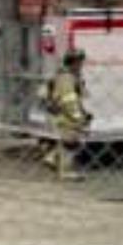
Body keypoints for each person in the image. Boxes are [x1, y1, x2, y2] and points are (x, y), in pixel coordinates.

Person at [42, 49, 92, 181]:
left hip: (64, 113)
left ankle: (52, 158)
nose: (82, 65)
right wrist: (77, 116)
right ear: (74, 62)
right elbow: (69, 99)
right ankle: (65, 171)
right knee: (71, 142)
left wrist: (84, 112)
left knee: (69, 141)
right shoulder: (67, 78)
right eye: (80, 62)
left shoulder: (69, 76)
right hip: (66, 115)